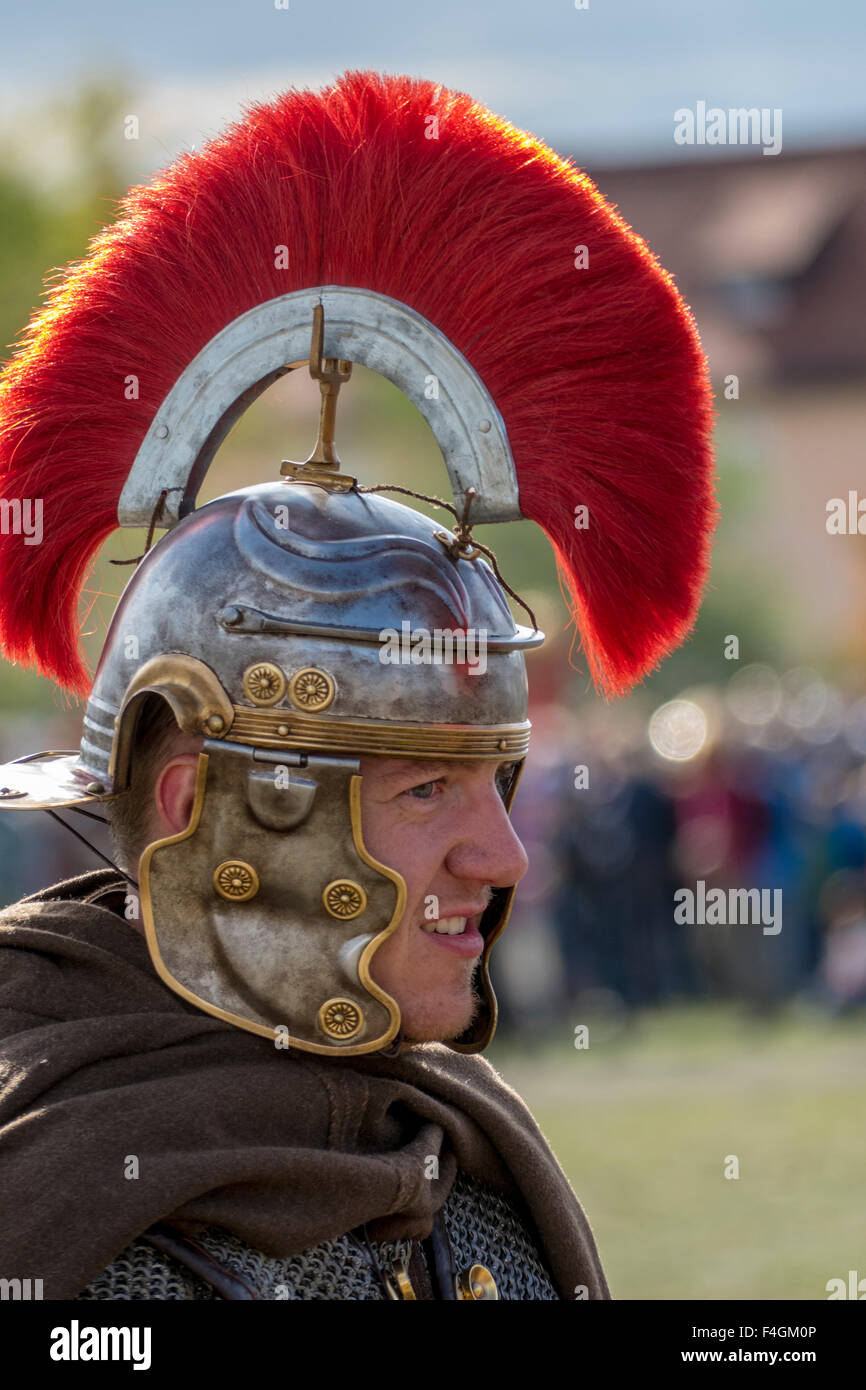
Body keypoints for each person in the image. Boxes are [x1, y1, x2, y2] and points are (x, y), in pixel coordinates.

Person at [0, 70, 715, 1300]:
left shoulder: (453, 1160)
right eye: (427, 789)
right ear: (192, 810)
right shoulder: (62, 1216)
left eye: (496, 782)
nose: (501, 858)